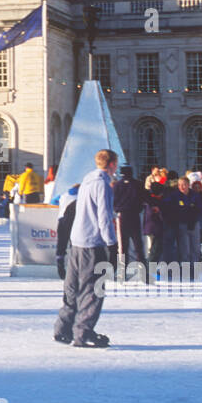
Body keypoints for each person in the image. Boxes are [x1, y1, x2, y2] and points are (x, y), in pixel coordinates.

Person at [53, 149, 117, 348]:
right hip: (92, 242)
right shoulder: (102, 184)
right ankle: (83, 332)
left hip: (77, 240)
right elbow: (104, 217)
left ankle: (63, 328)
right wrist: (112, 244)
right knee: (93, 289)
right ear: (112, 164)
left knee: (72, 288)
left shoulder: (88, 179)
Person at [112, 166, 146, 282]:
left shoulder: (117, 185)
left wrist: (117, 208)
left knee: (123, 247)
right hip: (135, 216)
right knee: (138, 246)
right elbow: (144, 198)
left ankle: (122, 273)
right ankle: (144, 274)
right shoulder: (138, 184)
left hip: (122, 216)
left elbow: (113, 201)